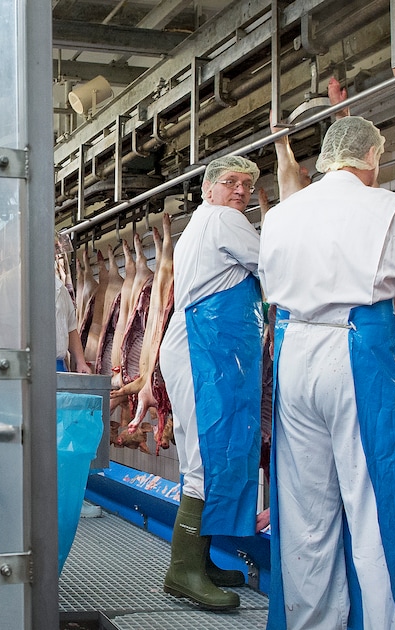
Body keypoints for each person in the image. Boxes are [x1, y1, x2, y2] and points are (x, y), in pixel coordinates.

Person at [258, 116, 395, 630]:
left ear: (327, 159)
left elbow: (273, 296)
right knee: (372, 506)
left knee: (305, 514)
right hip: (356, 355)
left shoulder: (282, 214)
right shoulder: (391, 208)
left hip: (293, 354)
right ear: (372, 157)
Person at [134, 155, 265, 611]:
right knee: (206, 459)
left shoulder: (203, 224)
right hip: (202, 351)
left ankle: (201, 560)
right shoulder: (224, 220)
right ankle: (182, 569)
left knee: (205, 455)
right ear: (208, 188)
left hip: (198, 349)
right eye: (231, 182)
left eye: (248, 186)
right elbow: (272, 266)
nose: (241, 192)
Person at [55, 271, 91, 374]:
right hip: (24, 368)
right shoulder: (10, 284)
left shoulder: (61, 289)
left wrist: (81, 362)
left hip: (58, 367)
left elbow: (70, 329)